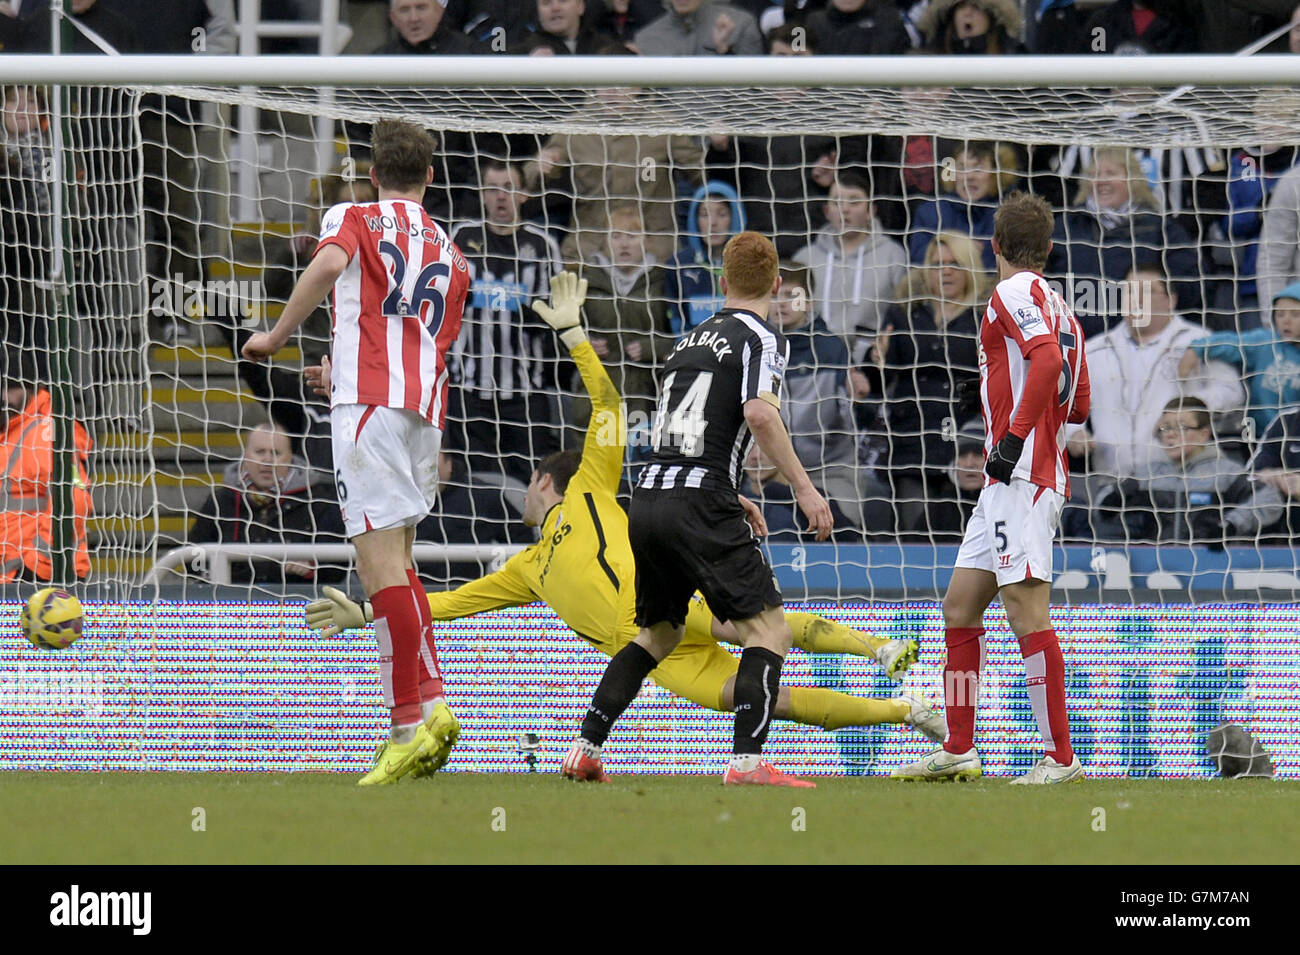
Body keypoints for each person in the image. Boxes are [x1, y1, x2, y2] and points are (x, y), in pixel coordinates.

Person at [305, 285, 938, 756]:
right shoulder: (527, 568)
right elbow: (451, 602)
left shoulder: (589, 486)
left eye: (529, 484)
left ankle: (877, 646)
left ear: (546, 481)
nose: (522, 498)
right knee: (781, 699)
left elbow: (607, 403)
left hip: (666, 595)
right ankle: (907, 711)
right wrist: (365, 613)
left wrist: (575, 336)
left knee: (764, 629)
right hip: (659, 654)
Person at [242, 120, 471, 787]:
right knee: (400, 560)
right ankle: (432, 701)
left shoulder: (354, 214)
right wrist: (334, 369)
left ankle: (405, 725)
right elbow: (417, 336)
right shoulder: (454, 255)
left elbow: (332, 264)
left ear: (373, 174)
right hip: (422, 411)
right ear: (430, 176)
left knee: (379, 570)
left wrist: (279, 333)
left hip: (367, 407)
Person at [561, 232, 835, 788]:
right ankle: (748, 765)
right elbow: (759, 414)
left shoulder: (689, 340)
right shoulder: (761, 338)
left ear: (722, 281)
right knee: (769, 632)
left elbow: (683, 430)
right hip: (698, 502)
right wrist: (804, 488)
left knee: (658, 634)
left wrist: (729, 489)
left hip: (651, 495)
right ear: (777, 284)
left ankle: (585, 748)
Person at [893, 193, 1091, 784]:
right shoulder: (1064, 307)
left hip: (1020, 473)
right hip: (1016, 478)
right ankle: (959, 745)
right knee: (960, 605)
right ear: (1050, 249)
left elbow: (1048, 364)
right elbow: (1080, 403)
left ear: (994, 247)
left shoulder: (1011, 292)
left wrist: (1012, 438)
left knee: (1025, 608)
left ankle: (1061, 758)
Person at [447, 159, 565, 483]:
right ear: (483, 195)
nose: (501, 196)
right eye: (493, 189)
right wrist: (505, 297)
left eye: (509, 188)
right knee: (474, 484)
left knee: (532, 482)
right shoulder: (460, 236)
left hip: (525, 391)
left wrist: (498, 298)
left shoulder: (542, 245)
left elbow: (553, 315)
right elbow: (445, 300)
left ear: (524, 195)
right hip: (469, 387)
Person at [1075, 262, 1244, 483]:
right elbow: (1065, 405)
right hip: (1110, 482)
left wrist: (1190, 408)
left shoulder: (1199, 340)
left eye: (1147, 292)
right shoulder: (1094, 349)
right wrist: (1072, 434)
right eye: (1129, 291)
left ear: (1171, 299)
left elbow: (1232, 392)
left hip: (1178, 483)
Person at [876, 232, 987, 533]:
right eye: (937, 264)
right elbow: (880, 381)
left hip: (967, 445)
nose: (946, 271)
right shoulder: (904, 314)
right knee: (914, 533)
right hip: (912, 442)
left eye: (954, 264)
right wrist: (877, 362)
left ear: (970, 269)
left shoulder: (985, 317)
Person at [1047, 146, 1202, 336]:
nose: (1101, 181)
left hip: (1140, 346)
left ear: (1133, 181)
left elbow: (1190, 289)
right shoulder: (1063, 228)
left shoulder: (1161, 231)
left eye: (1111, 173)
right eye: (1095, 174)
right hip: (1071, 345)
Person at [1090, 397, 1282, 548]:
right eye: (1165, 428)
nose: (1170, 434)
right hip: (1157, 569)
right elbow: (1100, 506)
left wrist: (1230, 525)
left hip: (1213, 567)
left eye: (1181, 427)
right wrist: (1114, 498)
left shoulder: (1227, 473)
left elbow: (1270, 500)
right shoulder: (1147, 474)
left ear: (1204, 434)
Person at [187, 422, 347, 586]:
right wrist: (216, 573)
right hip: (231, 604)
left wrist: (312, 570)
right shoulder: (221, 500)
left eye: (276, 453)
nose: (267, 460)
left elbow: (341, 566)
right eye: (260, 452)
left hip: (299, 603)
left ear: (290, 457)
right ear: (245, 455)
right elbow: (191, 558)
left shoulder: (318, 502)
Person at [793, 171, 908, 363]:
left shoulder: (893, 255)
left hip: (871, 362)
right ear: (826, 211)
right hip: (814, 363)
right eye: (836, 202)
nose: (844, 209)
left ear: (871, 210)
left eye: (854, 202)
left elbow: (902, 314)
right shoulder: (805, 258)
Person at [0, 350, 92, 583]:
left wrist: (37, 565)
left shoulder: (44, 431)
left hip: (36, 580)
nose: (3, 396)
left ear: (28, 386)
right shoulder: (11, 429)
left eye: (9, 388)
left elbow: (74, 499)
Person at [577, 205, 673, 426]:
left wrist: (653, 347)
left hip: (647, 400)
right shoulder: (587, 282)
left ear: (646, 240)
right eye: (616, 236)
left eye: (632, 235)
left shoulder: (662, 282)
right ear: (605, 241)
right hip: (596, 401)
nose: (624, 243)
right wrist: (585, 345)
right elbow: (561, 337)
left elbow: (681, 336)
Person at [1177, 281, 1300, 439]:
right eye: (1280, 314)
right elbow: (1230, 342)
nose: (1286, 321)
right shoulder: (1264, 341)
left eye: (1295, 315)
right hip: (1256, 432)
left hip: (1294, 436)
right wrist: (1196, 348)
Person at [908, 141, 1020, 271]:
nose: (969, 176)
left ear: (995, 174)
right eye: (962, 168)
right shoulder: (929, 213)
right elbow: (918, 262)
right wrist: (961, 251)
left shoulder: (1010, 217)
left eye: (978, 168)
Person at [663, 182, 744, 336]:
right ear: (694, 219)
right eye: (705, 215)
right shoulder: (679, 264)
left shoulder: (751, 263)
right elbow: (675, 320)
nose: (713, 223)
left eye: (722, 214)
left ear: (735, 217)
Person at [634, 0, 763, 55]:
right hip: (668, 112)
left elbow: (753, 92)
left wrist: (725, 51)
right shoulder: (647, 38)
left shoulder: (740, 23)